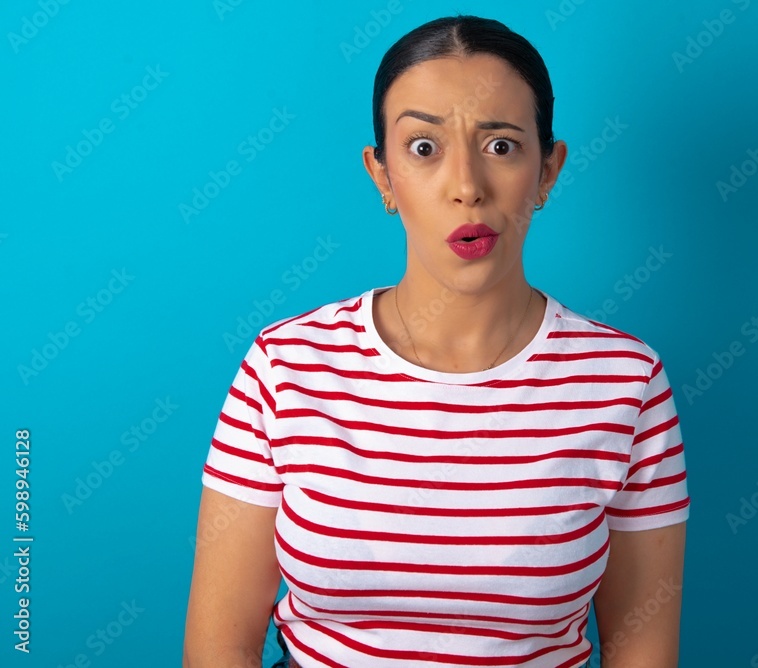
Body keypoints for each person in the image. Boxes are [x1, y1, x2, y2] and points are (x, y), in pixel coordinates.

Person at [183, 14, 689, 668]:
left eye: (501, 146)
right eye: (424, 148)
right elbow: (218, 644)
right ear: (383, 175)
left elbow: (641, 649)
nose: (466, 188)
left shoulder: (628, 382)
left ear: (548, 169)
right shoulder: (284, 369)